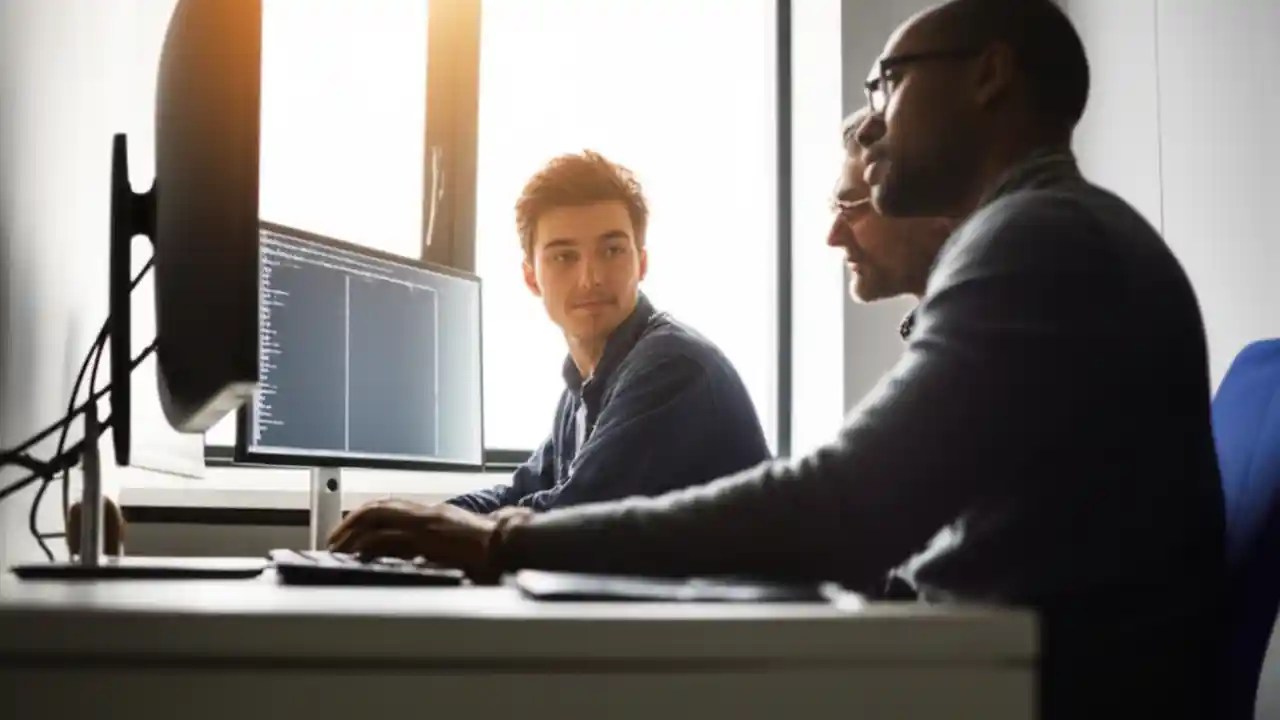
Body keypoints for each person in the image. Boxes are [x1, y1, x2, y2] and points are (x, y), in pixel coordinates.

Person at [331, 2, 1225, 716]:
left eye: (887, 85)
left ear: (989, 76)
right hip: (974, 665)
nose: (868, 129)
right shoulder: (1045, 235)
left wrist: (501, 541)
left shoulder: (1038, 240)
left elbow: (847, 506)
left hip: (1021, 690)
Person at [446, 150, 770, 512]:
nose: (591, 279)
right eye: (564, 257)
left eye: (612, 251)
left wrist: (425, 529)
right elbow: (515, 494)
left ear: (641, 263)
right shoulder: (580, 391)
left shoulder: (671, 367)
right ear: (531, 277)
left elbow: (569, 515)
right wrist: (427, 516)